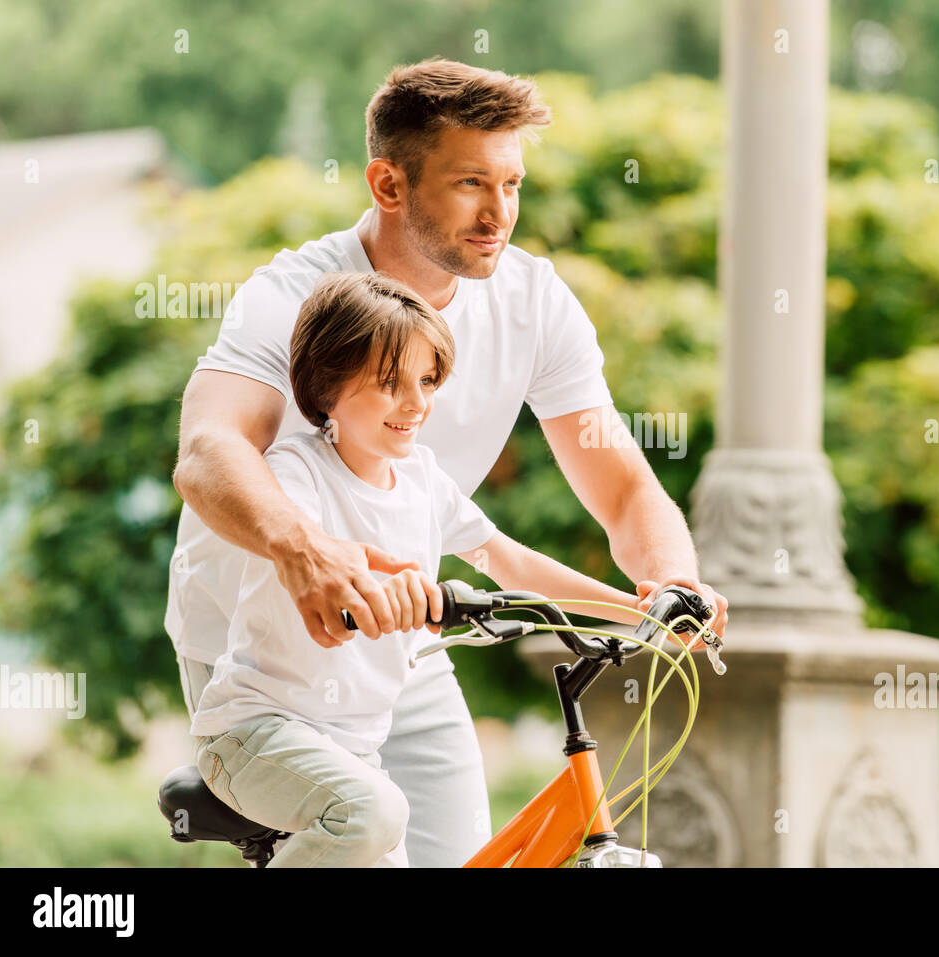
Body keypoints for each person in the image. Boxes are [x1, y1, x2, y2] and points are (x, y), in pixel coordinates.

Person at [167, 56, 728, 867]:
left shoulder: (533, 302)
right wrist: (307, 550)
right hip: (262, 648)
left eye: (513, 184)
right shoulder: (292, 295)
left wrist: (667, 588)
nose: (499, 212)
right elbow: (209, 452)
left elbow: (620, 484)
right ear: (389, 185)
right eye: (471, 183)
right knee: (365, 838)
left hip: (408, 637)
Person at [191, 271, 647, 867]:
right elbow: (322, 556)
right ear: (327, 387)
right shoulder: (296, 472)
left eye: (428, 380)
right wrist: (379, 588)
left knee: (379, 813)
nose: (417, 403)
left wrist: (634, 611)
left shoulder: (423, 481)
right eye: (389, 383)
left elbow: (509, 561)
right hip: (255, 734)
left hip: (357, 752)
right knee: (376, 813)